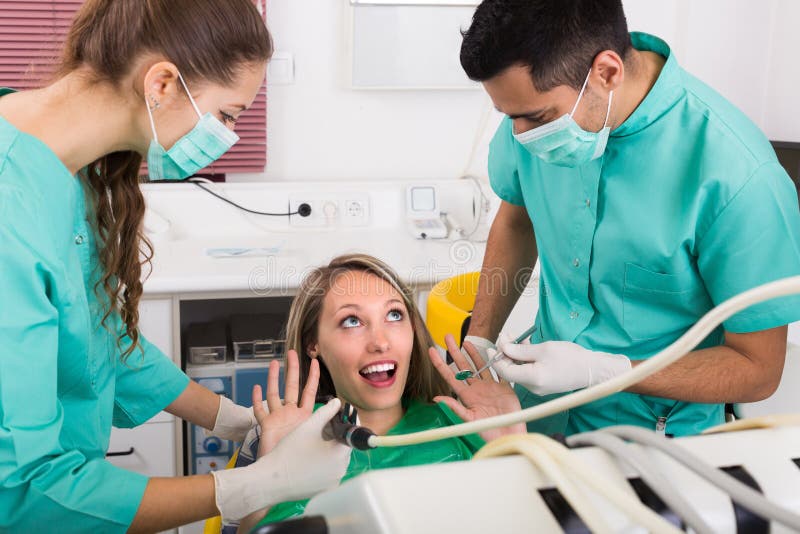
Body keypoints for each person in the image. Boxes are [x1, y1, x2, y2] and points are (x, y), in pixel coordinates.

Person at [0, 1, 350, 532]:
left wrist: (232, 421)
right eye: (227, 115)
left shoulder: (72, 168)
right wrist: (253, 486)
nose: (228, 135)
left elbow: (100, 340)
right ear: (161, 84)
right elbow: (24, 489)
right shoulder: (11, 210)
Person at [458, 0, 800, 437]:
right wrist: (480, 338)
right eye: (509, 118)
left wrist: (604, 371)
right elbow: (516, 219)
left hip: (651, 442)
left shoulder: (739, 177)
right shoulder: (535, 118)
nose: (520, 137)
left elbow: (759, 369)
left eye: (537, 118)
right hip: (538, 415)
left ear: (606, 73)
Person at [237, 254, 525, 533]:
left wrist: (514, 449)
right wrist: (266, 484)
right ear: (314, 344)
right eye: (352, 321)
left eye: (394, 315)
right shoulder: (294, 439)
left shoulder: (464, 425)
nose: (380, 342)